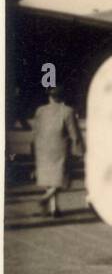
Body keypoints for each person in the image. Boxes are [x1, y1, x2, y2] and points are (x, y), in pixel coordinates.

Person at [32, 87, 82, 217]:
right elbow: (74, 134)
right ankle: (45, 198)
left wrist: (34, 147)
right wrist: (80, 150)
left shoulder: (40, 110)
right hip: (60, 148)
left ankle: (54, 209)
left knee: (49, 179)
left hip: (42, 148)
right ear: (63, 97)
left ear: (49, 97)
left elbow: (36, 130)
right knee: (62, 178)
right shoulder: (68, 111)